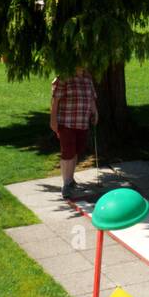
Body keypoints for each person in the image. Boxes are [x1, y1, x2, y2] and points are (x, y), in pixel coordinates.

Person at [49, 66, 98, 200]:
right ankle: (66, 185)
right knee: (68, 152)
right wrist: (53, 120)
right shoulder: (64, 77)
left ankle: (70, 180)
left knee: (76, 150)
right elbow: (55, 101)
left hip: (82, 122)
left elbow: (91, 98)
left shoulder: (87, 78)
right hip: (66, 122)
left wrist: (95, 112)